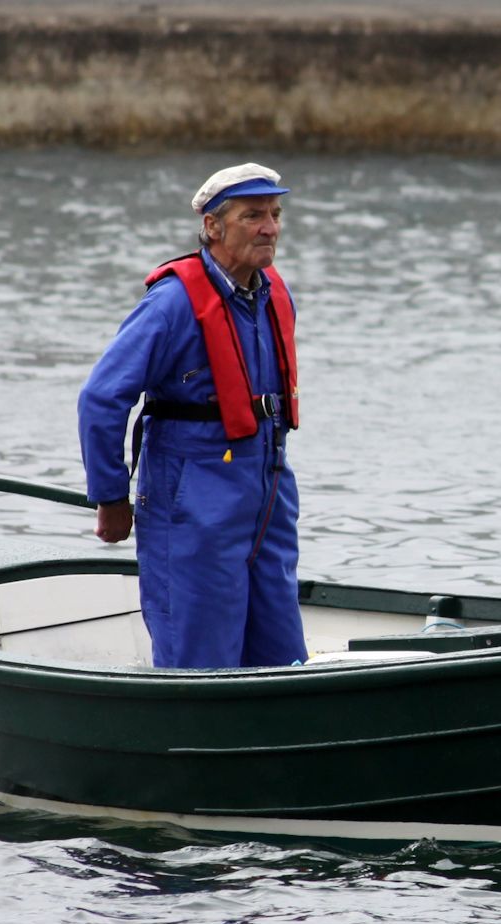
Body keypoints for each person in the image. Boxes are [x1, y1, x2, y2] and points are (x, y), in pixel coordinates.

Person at [77, 162, 306, 669]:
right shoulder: (173, 303)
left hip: (268, 492)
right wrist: (111, 496)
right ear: (213, 226)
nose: (269, 227)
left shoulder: (271, 295)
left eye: (274, 214)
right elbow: (101, 398)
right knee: (199, 655)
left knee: (280, 654)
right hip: (193, 497)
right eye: (252, 216)